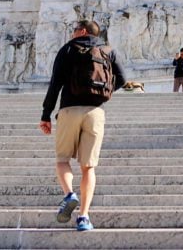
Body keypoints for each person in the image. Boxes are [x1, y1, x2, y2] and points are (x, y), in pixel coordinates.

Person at [39, 19, 126, 232]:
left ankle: (70, 195)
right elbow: (122, 79)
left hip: (69, 109)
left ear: (82, 31)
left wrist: (46, 114)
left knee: (62, 160)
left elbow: (55, 84)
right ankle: (84, 217)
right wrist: (104, 92)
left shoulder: (68, 49)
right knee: (88, 167)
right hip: (95, 112)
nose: (71, 33)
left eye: (74, 30)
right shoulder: (108, 50)